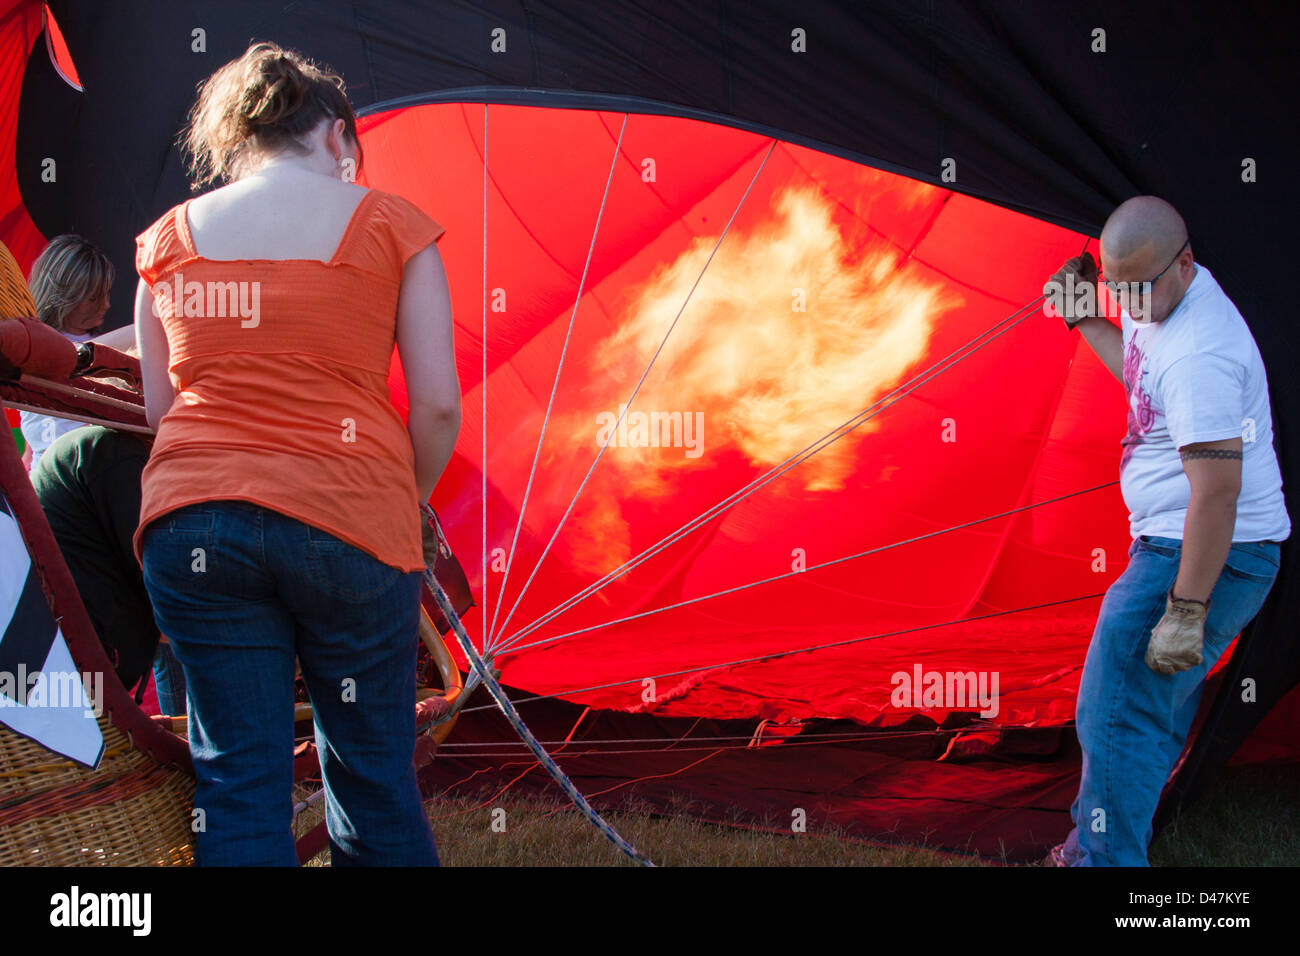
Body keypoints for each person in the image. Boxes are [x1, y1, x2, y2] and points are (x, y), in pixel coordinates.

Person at [133, 41, 461, 865]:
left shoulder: (166, 242)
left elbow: (161, 412)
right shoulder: (394, 226)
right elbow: (439, 406)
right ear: (338, 137)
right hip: (350, 521)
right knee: (372, 773)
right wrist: (399, 496)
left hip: (194, 522)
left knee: (238, 781)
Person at [1041, 196, 1289, 866]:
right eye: (1117, 289)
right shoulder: (1160, 298)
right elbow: (1143, 380)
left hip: (1205, 551)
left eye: (1138, 290)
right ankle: (1102, 847)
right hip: (1192, 544)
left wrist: (1186, 608)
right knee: (1146, 716)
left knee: (1113, 715)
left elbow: (1217, 494)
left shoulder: (1202, 354)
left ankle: (1103, 862)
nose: (1132, 304)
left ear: (1184, 263)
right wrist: (1089, 316)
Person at [19, 235, 135, 470]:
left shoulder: (106, 351)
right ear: (64, 296)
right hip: (46, 483)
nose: (106, 305)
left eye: (107, 293)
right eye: (93, 298)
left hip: (88, 478)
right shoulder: (28, 346)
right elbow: (29, 452)